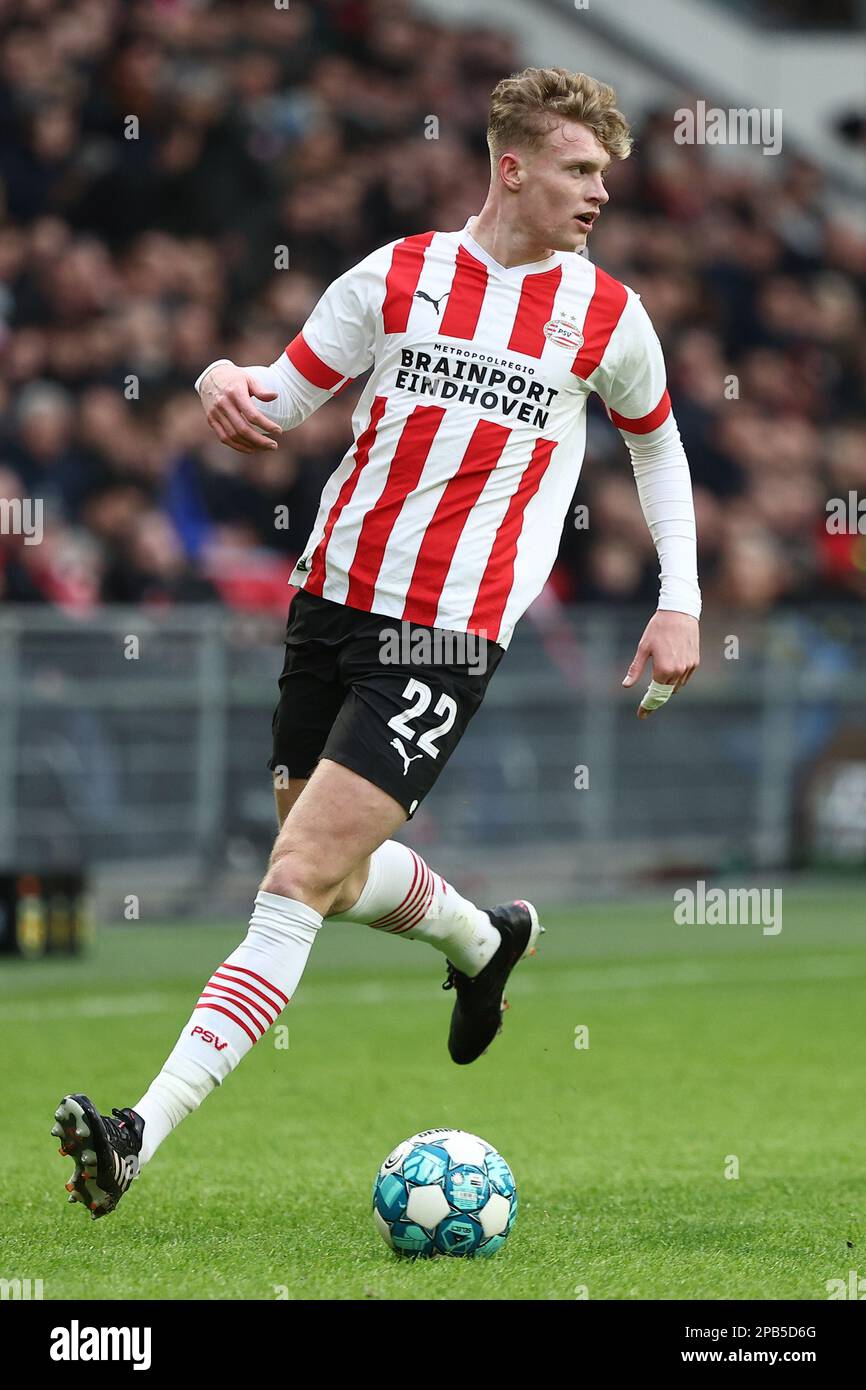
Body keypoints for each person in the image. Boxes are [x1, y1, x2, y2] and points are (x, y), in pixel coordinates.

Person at [53, 67, 700, 1219]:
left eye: (604, 172)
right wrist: (214, 378)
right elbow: (277, 404)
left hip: (448, 634)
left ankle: (139, 1129)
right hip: (330, 603)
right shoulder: (395, 275)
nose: (599, 191)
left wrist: (678, 597)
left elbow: (656, 449)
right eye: (579, 169)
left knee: (295, 876)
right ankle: (481, 940)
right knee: (337, 871)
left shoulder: (606, 316)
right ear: (512, 166)